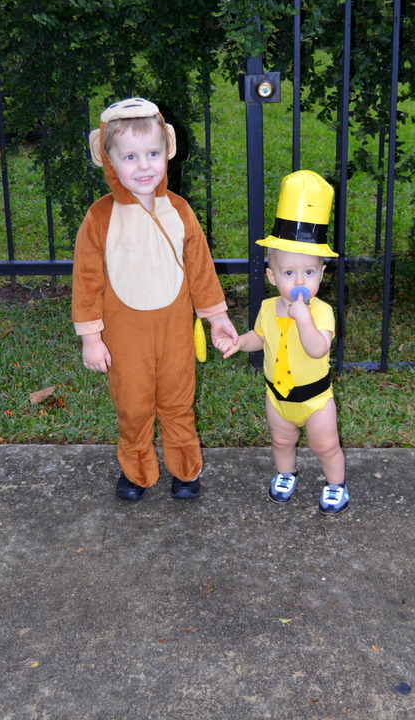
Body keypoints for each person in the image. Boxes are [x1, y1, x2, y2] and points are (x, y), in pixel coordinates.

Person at [72, 97, 238, 501]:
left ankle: (185, 469)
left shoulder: (179, 210)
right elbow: (87, 279)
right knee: (133, 404)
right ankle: (137, 469)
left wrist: (216, 317)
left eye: (152, 154)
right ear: (108, 161)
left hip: (175, 329)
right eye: (130, 156)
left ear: (167, 152)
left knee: (178, 401)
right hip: (124, 334)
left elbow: (200, 269)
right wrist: (91, 336)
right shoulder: (100, 216)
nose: (143, 166)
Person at [215, 170, 349, 515]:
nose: (300, 280)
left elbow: (318, 348)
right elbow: (260, 338)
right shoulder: (267, 308)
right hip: (277, 395)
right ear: (272, 276)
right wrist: (238, 343)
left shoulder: (321, 313)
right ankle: (286, 474)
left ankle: (336, 484)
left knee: (325, 445)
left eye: (309, 272)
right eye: (289, 273)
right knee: (281, 440)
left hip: (316, 399)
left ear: (321, 273)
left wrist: (302, 316)